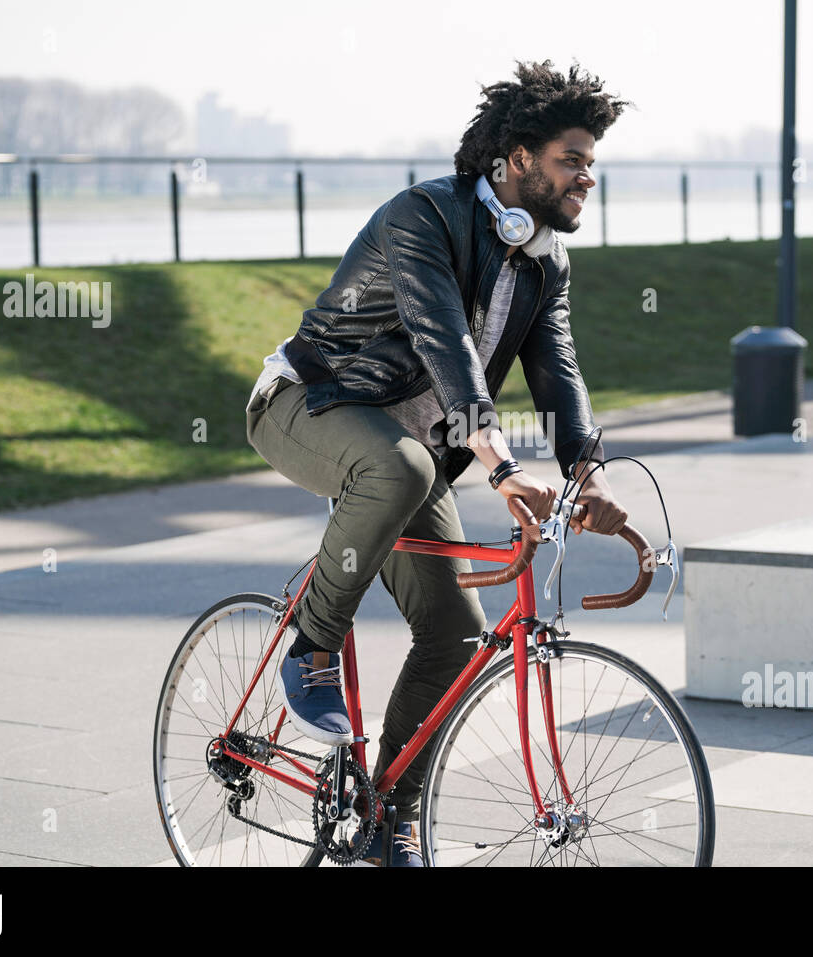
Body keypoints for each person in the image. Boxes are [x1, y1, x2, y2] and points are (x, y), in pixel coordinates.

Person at [244, 59, 632, 866]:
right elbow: (443, 342)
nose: (587, 177)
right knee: (403, 470)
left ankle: (389, 820)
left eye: (593, 162)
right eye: (573, 159)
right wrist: (496, 461)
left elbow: (558, 371)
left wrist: (588, 473)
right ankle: (312, 645)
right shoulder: (422, 217)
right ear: (517, 158)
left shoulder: (544, 261)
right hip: (306, 404)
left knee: (456, 635)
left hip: (407, 449)